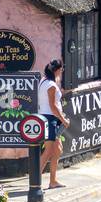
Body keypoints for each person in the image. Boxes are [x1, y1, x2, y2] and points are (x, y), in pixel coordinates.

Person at [38, 59, 69, 189]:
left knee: (57, 150)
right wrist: (63, 120)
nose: (62, 71)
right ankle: (35, 181)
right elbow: (53, 106)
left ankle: (53, 181)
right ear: (57, 70)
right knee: (48, 151)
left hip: (49, 119)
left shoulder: (43, 81)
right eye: (61, 69)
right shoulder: (51, 85)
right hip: (50, 119)